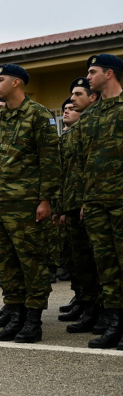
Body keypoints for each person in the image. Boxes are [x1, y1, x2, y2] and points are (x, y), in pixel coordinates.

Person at [0, 64, 60, 344]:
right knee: (6, 264)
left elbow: (50, 160)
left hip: (27, 204)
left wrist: (46, 199)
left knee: (31, 262)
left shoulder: (39, 115)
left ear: (17, 83)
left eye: (0, 79)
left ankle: (33, 321)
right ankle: (14, 316)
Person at [76, 54, 123, 348]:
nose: (88, 76)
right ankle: (115, 323)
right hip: (95, 201)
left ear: (109, 73)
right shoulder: (90, 115)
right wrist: (84, 199)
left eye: (93, 72)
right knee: (106, 265)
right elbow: (83, 162)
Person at [61, 78, 101, 333]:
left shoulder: (96, 126)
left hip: (95, 201)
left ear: (92, 98)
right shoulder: (73, 134)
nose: (71, 102)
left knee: (100, 262)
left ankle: (104, 311)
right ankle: (90, 308)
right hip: (74, 204)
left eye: (77, 96)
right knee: (81, 262)